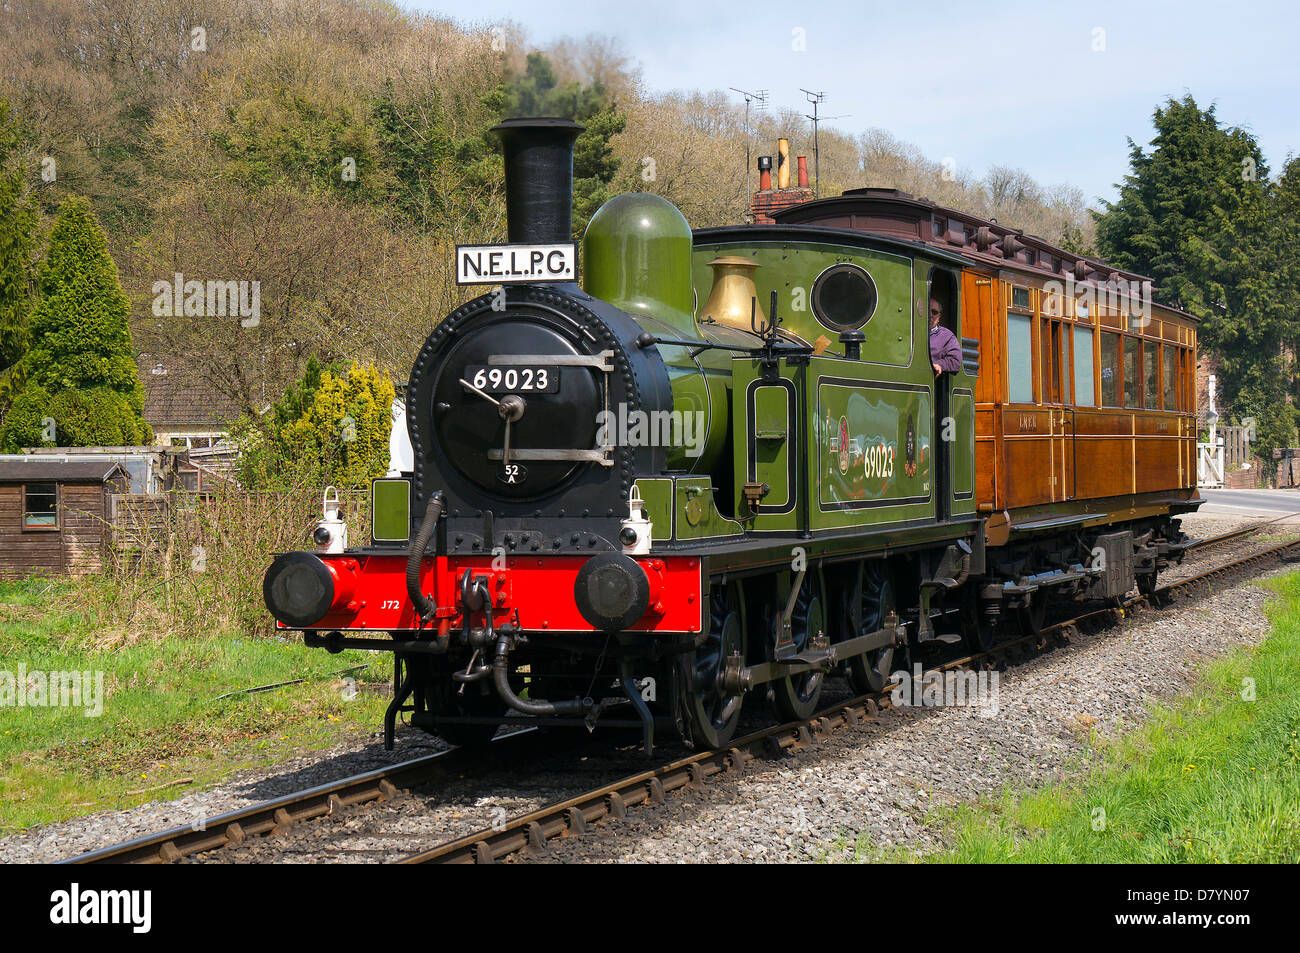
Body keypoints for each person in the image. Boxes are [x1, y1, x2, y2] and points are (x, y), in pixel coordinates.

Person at [929, 298, 961, 375]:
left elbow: (955, 361)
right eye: (927, 310)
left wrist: (939, 365)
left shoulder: (947, 336)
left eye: (934, 312)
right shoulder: (911, 330)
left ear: (939, 317)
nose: (930, 315)